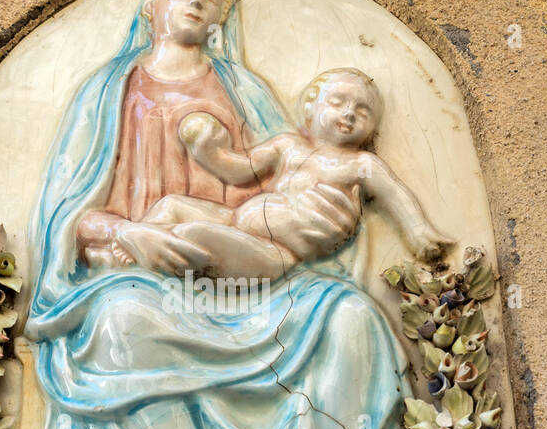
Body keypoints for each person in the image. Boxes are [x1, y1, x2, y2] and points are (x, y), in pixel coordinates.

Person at [0, 0, 417, 429]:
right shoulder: (107, 92)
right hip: (141, 272)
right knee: (121, 318)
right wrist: (131, 236)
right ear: (151, 7)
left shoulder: (245, 91)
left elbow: (292, 185)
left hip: (251, 272)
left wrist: (324, 227)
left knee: (351, 316)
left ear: (220, 22)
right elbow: (64, 212)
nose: (198, 1)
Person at [136, 67, 452, 278]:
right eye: (339, 102)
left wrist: (420, 233)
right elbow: (238, 170)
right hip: (237, 222)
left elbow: (395, 196)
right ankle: (130, 257)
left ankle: (160, 265)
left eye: (362, 111)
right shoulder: (287, 145)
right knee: (169, 207)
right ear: (311, 107)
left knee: (192, 236)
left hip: (276, 253)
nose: (348, 114)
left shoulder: (361, 165)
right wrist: (208, 150)